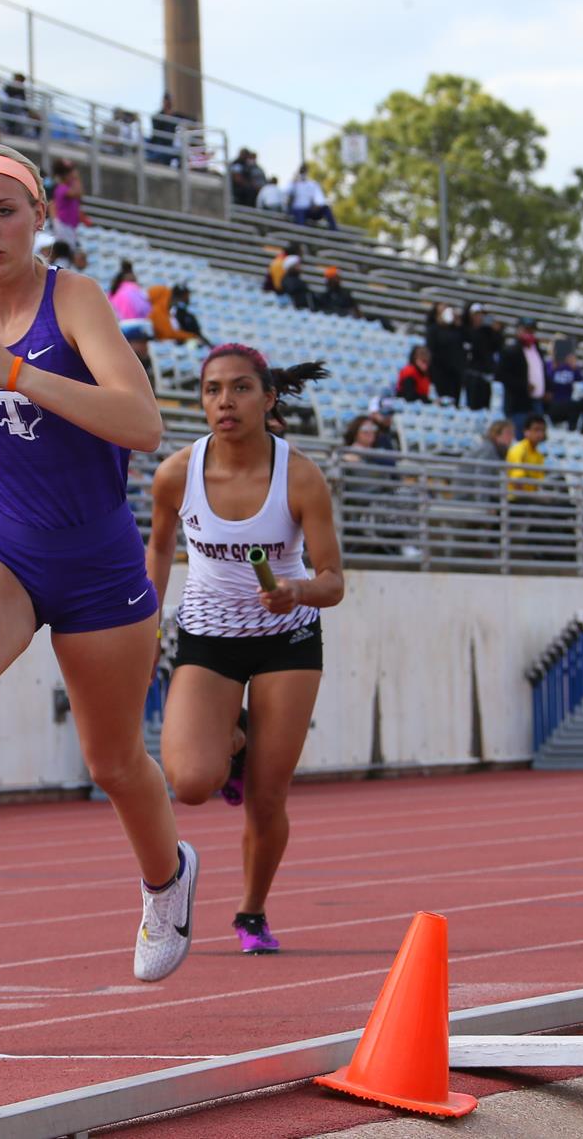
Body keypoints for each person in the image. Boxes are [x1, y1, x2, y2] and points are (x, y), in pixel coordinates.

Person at [0, 141, 194, 985]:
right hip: (0, 541)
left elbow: (142, 423)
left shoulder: (78, 300)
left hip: (97, 558)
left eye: (5, 211)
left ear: (37, 216)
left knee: (113, 761)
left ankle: (168, 879)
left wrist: (19, 372)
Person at [146, 346, 343, 954]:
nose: (224, 402)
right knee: (191, 782)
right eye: (211, 390)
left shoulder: (300, 476)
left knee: (266, 795)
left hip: (286, 638)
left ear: (268, 398)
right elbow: (157, 550)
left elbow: (334, 581)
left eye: (239, 389)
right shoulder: (177, 473)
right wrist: (146, 623)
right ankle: (235, 739)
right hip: (208, 638)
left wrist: (297, 590)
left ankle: (251, 912)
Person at [496, 317, 547, 424]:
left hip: (536, 401)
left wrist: (547, 388)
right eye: (526, 330)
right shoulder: (510, 351)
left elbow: (543, 373)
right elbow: (502, 375)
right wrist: (524, 385)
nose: (529, 333)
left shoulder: (538, 351)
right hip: (518, 404)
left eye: (531, 331)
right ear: (518, 330)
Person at [505, 413, 549, 494]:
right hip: (516, 498)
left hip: (531, 497)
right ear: (526, 431)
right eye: (536, 430)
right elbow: (517, 481)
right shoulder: (518, 450)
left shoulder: (539, 455)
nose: (539, 434)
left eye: (542, 430)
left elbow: (538, 483)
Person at [546, 337, 583, 429]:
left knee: (578, 404)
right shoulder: (549, 364)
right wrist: (553, 369)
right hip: (552, 404)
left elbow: (581, 382)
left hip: (568, 403)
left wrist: (575, 368)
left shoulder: (572, 366)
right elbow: (546, 381)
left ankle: (574, 431)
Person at [286, 164, 336, 229]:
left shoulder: (312, 184)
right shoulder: (293, 184)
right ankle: (301, 232)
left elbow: (319, 198)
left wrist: (318, 205)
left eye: (304, 171)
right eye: (301, 171)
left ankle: (334, 229)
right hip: (296, 210)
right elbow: (286, 192)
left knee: (326, 208)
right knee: (300, 213)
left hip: (308, 210)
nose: (303, 173)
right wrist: (294, 180)